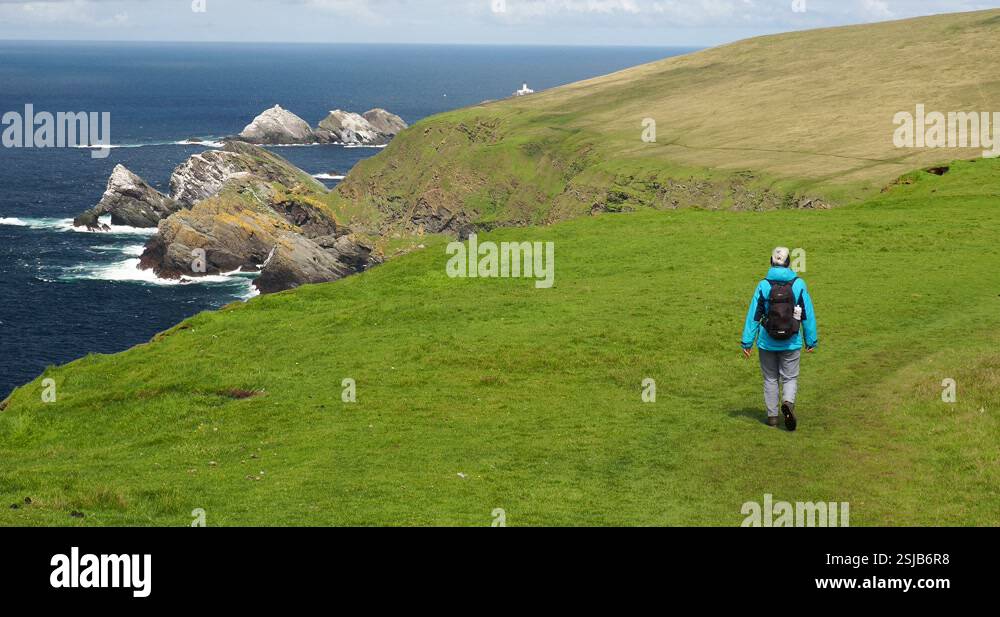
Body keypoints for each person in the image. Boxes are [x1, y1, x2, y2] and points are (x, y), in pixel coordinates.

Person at [740, 247, 819, 431]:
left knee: (770, 378)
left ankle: (772, 417)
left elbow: (754, 315)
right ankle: (788, 402)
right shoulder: (799, 284)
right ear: (789, 262)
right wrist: (811, 340)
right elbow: (807, 314)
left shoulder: (763, 285)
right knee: (790, 377)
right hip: (791, 341)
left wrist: (747, 342)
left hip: (767, 342)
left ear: (771, 262)